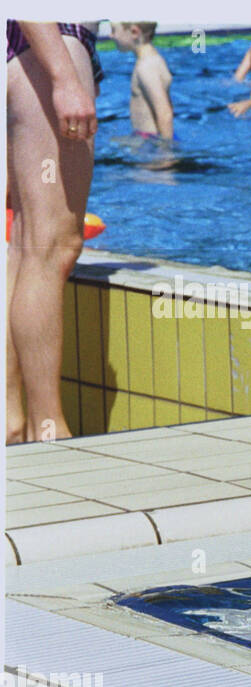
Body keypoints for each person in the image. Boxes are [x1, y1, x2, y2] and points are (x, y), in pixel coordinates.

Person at [6, 20, 98, 444]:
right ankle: (49, 430)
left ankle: (12, 418)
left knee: (25, 246)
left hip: (25, 51)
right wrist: (64, 77)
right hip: (50, 43)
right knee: (53, 246)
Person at [110, 22, 173, 140]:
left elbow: (165, 113)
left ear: (134, 32)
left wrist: (165, 154)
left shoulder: (146, 67)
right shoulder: (154, 60)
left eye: (114, 31)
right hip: (149, 138)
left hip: (150, 141)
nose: (111, 36)